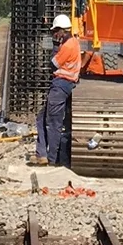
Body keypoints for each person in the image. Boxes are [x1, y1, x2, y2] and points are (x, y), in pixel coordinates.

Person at [32, 12, 82, 168]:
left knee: (54, 123)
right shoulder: (73, 42)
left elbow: (53, 64)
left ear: (62, 30)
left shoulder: (67, 45)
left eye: (56, 31)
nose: (54, 34)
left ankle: (52, 159)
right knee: (42, 118)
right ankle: (42, 154)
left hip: (60, 86)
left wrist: (55, 46)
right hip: (66, 84)